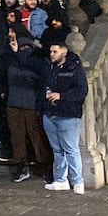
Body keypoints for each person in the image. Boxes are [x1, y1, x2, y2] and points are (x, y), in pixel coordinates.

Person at [0, 31, 52, 183]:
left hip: (32, 106)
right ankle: (21, 167)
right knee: (17, 138)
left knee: (37, 138)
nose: (23, 50)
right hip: (14, 105)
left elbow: (40, 80)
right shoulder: (10, 62)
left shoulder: (38, 63)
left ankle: (45, 167)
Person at [41, 37, 89, 194]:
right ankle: (61, 179)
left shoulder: (74, 68)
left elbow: (82, 91)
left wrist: (61, 96)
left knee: (71, 149)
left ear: (64, 51)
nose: (52, 54)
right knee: (57, 150)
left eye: (55, 51)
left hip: (68, 115)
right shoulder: (51, 68)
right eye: (50, 51)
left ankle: (77, 181)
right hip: (50, 113)